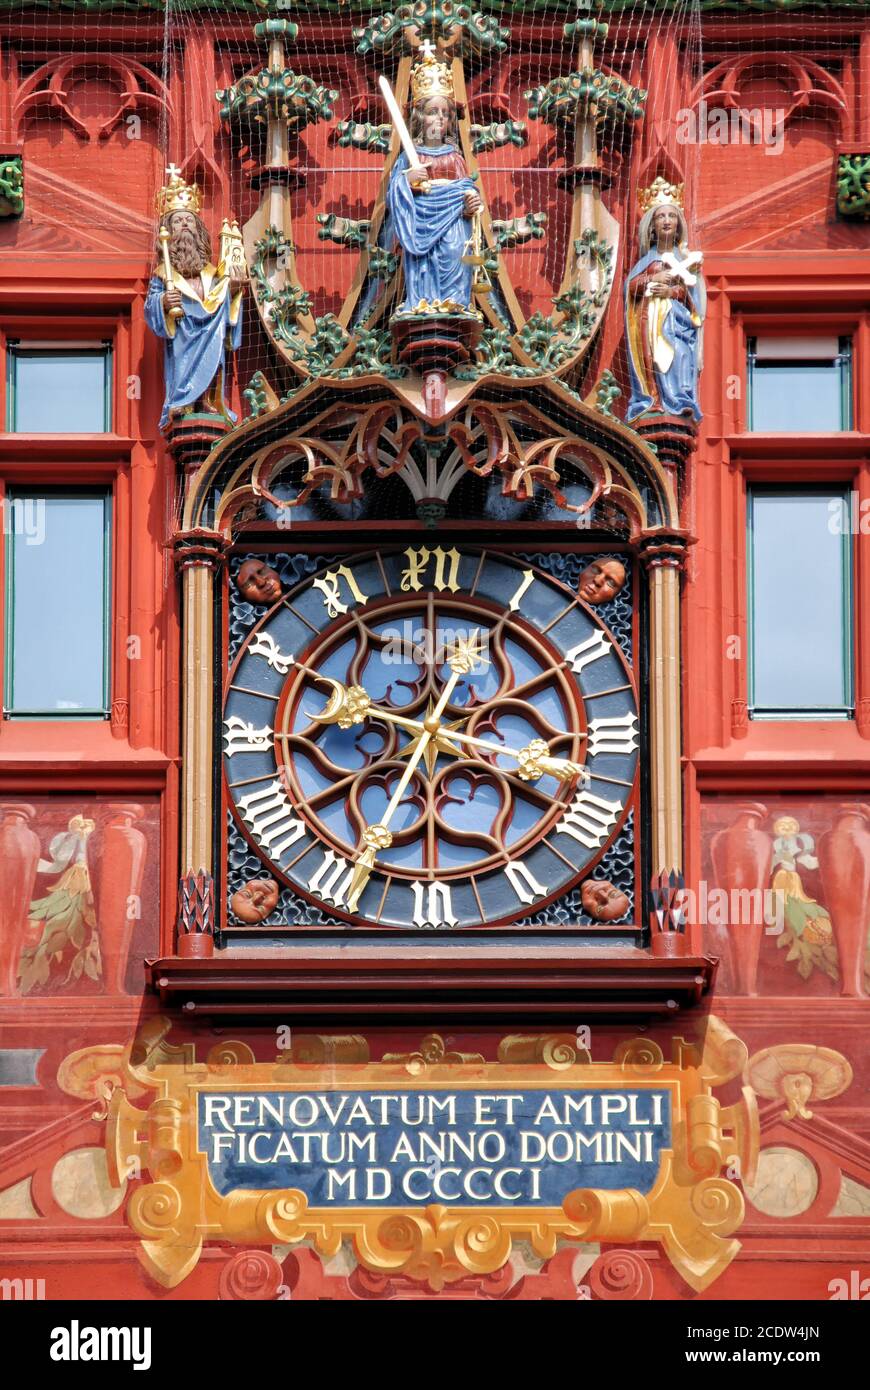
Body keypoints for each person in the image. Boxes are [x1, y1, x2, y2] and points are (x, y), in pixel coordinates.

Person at [145, 172, 245, 429]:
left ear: (199, 230)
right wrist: (164, 303)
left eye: (189, 220)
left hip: (212, 331)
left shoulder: (212, 275)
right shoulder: (162, 275)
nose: (185, 225)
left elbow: (224, 299)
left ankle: (209, 399)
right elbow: (151, 306)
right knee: (181, 357)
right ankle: (183, 399)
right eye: (178, 221)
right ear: (168, 230)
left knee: (214, 354)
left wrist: (233, 290)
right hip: (182, 339)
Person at [386, 45, 481, 313]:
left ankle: (455, 303)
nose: (439, 118)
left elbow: (466, 190)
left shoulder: (456, 157)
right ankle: (421, 303)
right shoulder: (409, 156)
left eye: (445, 113)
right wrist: (407, 179)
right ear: (419, 116)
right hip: (421, 225)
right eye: (432, 112)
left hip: (453, 224)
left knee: (453, 255)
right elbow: (393, 193)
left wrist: (470, 203)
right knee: (423, 263)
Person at [624, 178, 705, 423]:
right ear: (652, 226)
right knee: (655, 358)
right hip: (650, 322)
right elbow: (631, 289)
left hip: (677, 324)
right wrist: (652, 279)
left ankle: (678, 400)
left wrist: (672, 293)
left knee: (678, 354)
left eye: (672, 216)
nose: (667, 220)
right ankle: (654, 399)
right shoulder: (646, 262)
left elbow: (695, 302)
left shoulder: (688, 262)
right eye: (661, 217)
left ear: (679, 224)